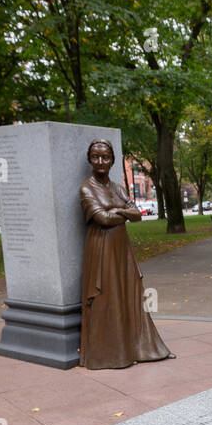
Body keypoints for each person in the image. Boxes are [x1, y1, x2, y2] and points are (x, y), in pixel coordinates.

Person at [78, 140, 175, 369]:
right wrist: (123, 212)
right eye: (95, 157)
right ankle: (110, 354)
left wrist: (116, 211)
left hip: (122, 248)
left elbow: (137, 214)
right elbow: (102, 219)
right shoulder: (86, 189)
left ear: (112, 160)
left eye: (105, 157)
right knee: (106, 297)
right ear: (89, 159)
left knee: (129, 294)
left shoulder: (118, 188)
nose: (100, 162)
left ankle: (137, 347)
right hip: (101, 249)